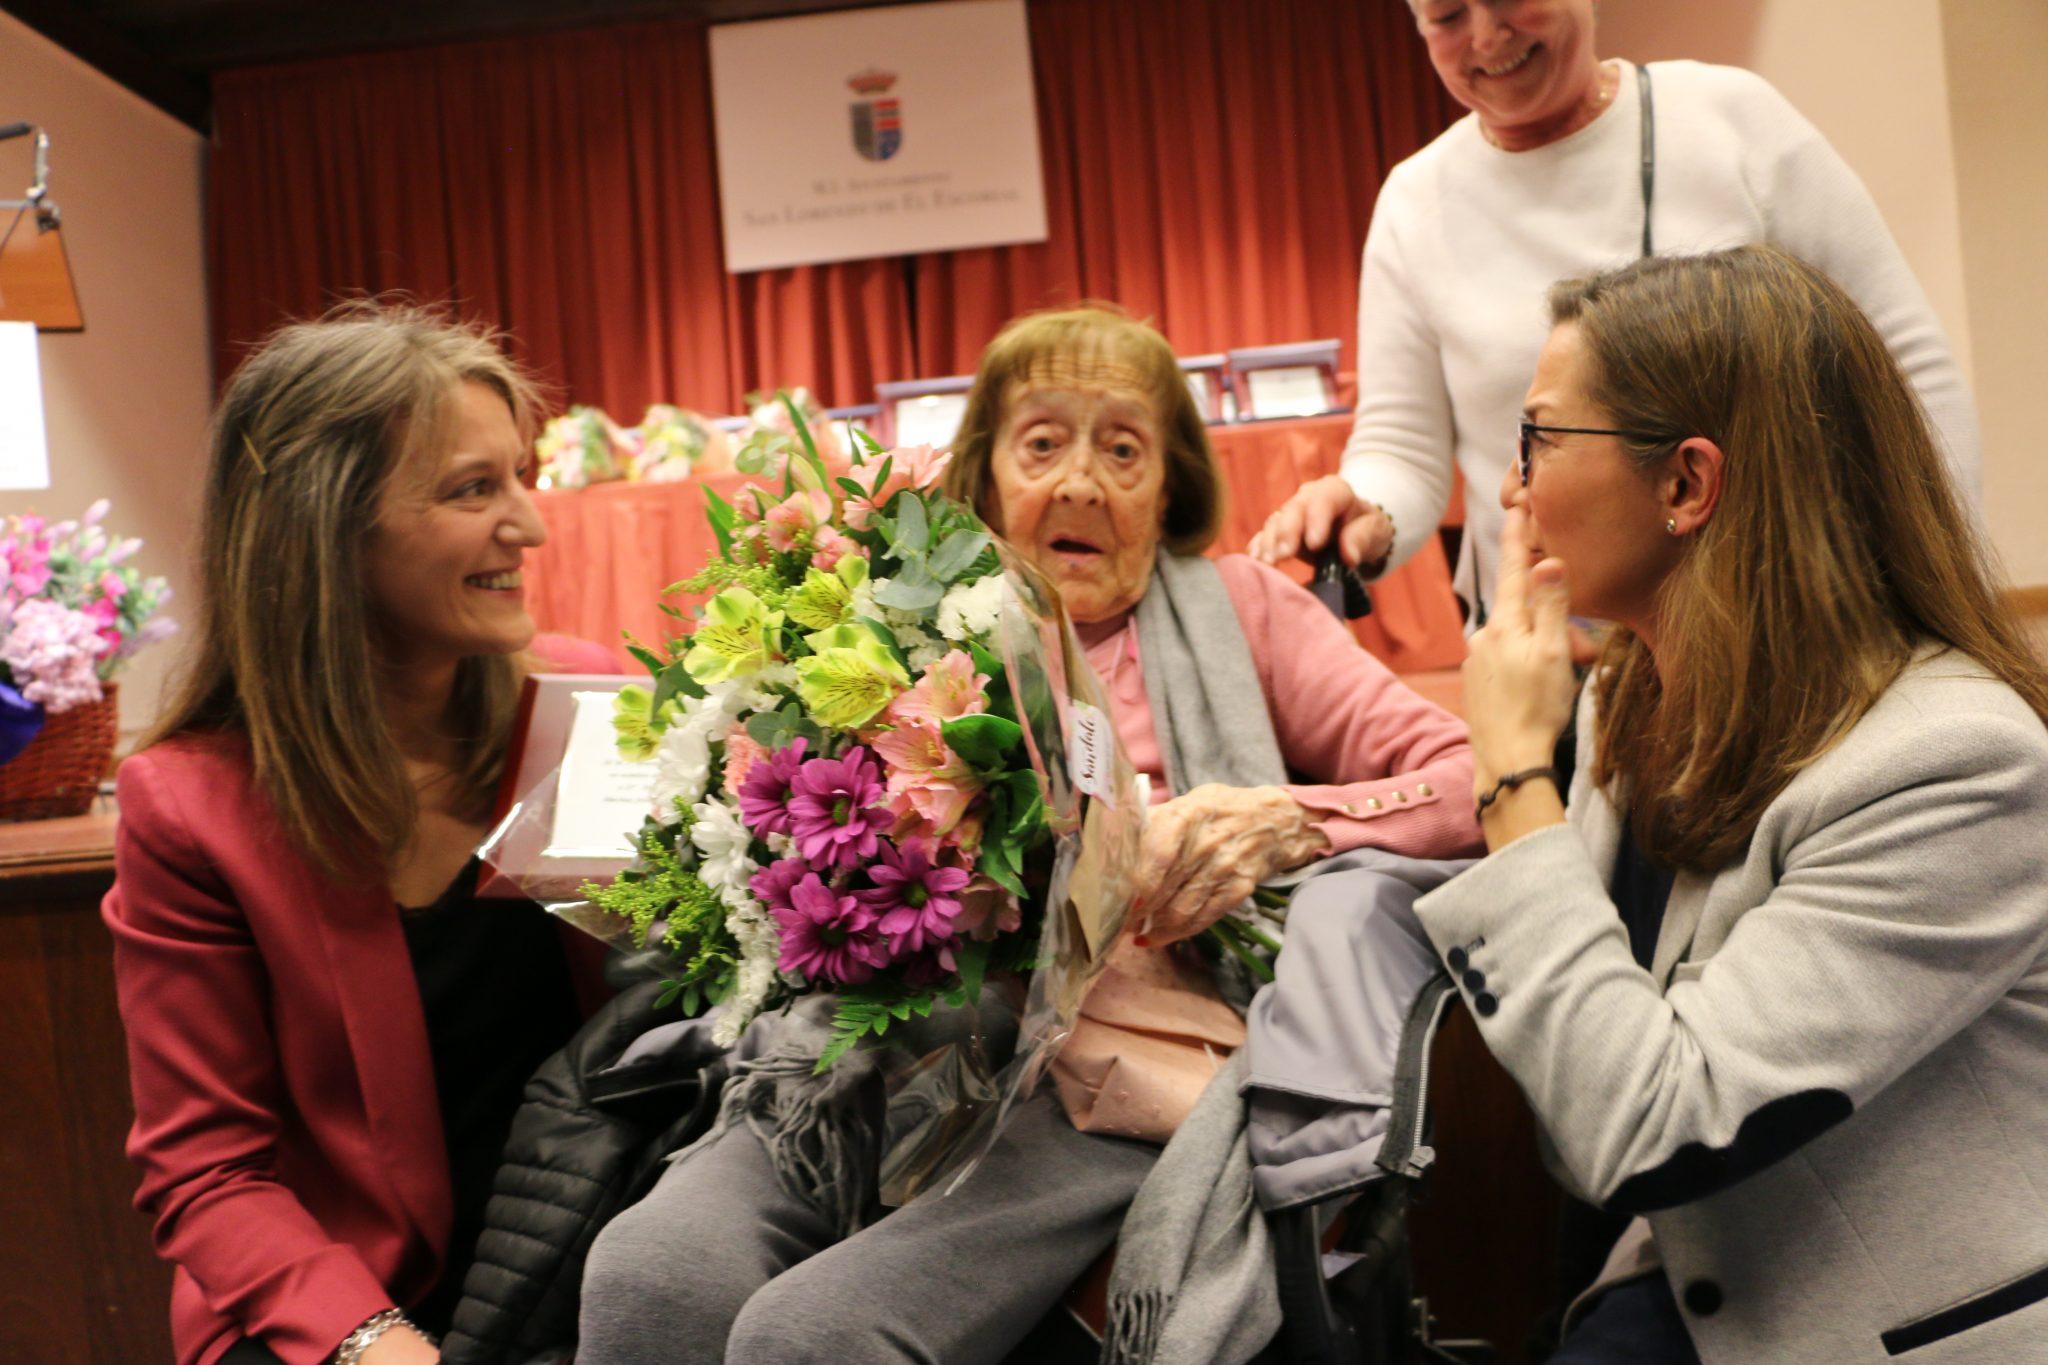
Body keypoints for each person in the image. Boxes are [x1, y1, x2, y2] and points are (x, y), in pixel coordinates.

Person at [575, 305, 1484, 1363]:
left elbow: (1472, 781)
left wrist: (1286, 818)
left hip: (1108, 1078)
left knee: (815, 1337)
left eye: (1123, 449)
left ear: (1170, 487)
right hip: (869, 1058)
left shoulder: (1244, 611)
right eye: (1042, 444)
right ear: (986, 476)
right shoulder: (893, 621)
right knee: (648, 1278)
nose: (1081, 483)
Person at [1411, 244, 2048, 1362]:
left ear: (1685, 485)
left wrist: (1513, 772)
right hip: (1692, 1276)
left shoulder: (1958, 760)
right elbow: (1579, 1101)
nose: (1510, 490)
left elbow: (1642, 1127)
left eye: (1539, 440)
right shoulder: (1637, 693)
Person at [103, 305, 617, 1365]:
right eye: (475, 489)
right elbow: (209, 1172)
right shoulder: (194, 808)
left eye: (521, 477)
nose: (528, 524)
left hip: (587, 1267)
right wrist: (377, 1343)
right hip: (347, 1309)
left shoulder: (575, 711)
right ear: (327, 529)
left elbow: (680, 1033)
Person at [1250, 0, 1980, 627]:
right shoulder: (1414, 202)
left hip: (1782, 624)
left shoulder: (1732, 121)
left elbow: (1902, 362)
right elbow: (1402, 447)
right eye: (1446, 16)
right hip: (1549, 648)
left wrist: (1936, 575)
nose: (1486, 36)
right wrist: (1368, 513)